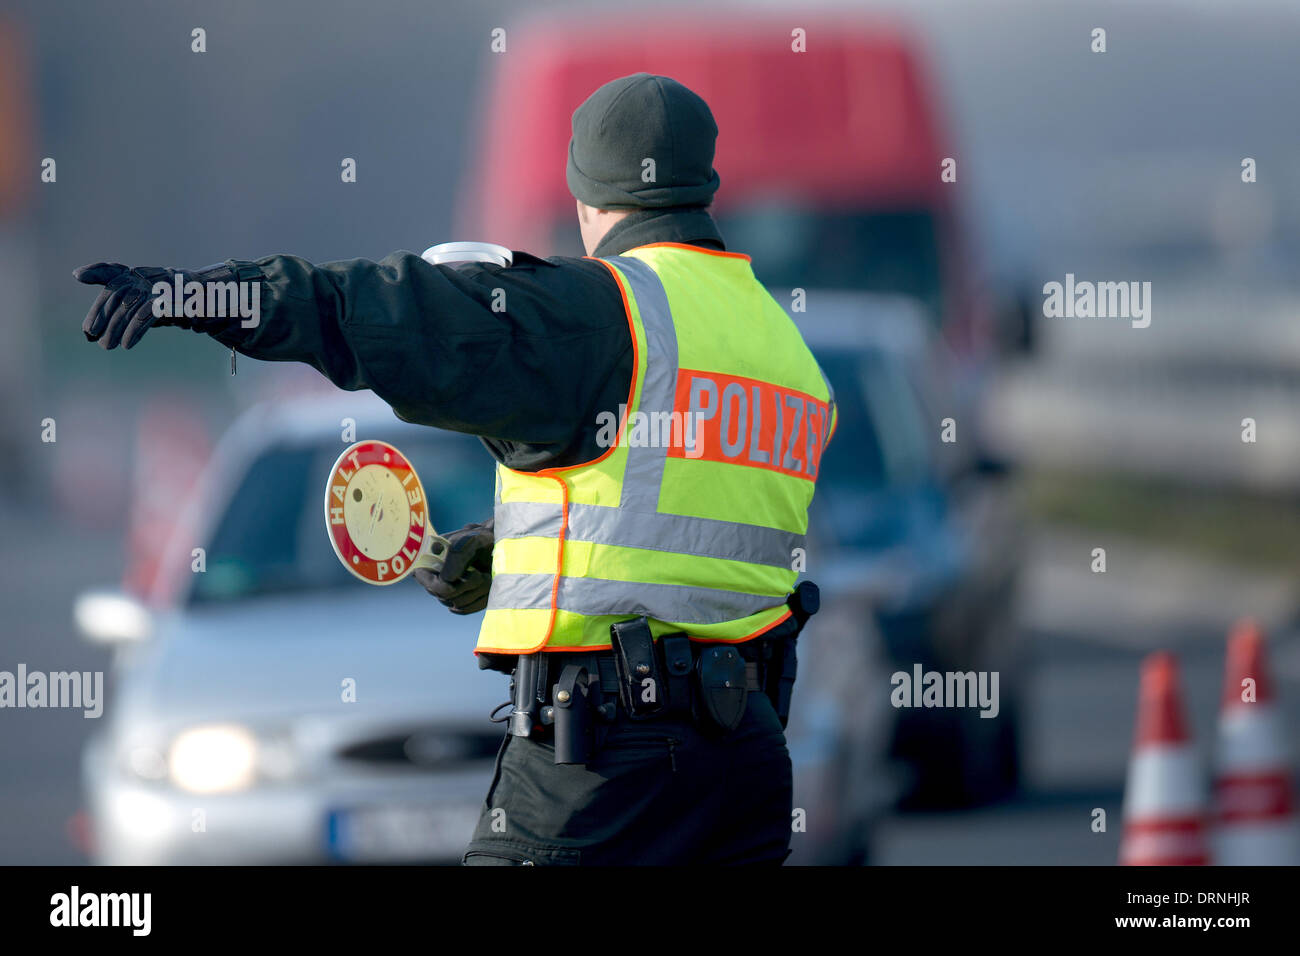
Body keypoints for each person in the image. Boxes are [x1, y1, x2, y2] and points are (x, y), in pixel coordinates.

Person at [77, 73, 835, 865]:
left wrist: (212, 297)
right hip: (745, 762)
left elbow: (388, 311)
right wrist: (513, 554)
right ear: (704, 184)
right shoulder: (781, 346)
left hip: (606, 764)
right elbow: (688, 524)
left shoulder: (599, 308)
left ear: (585, 194)